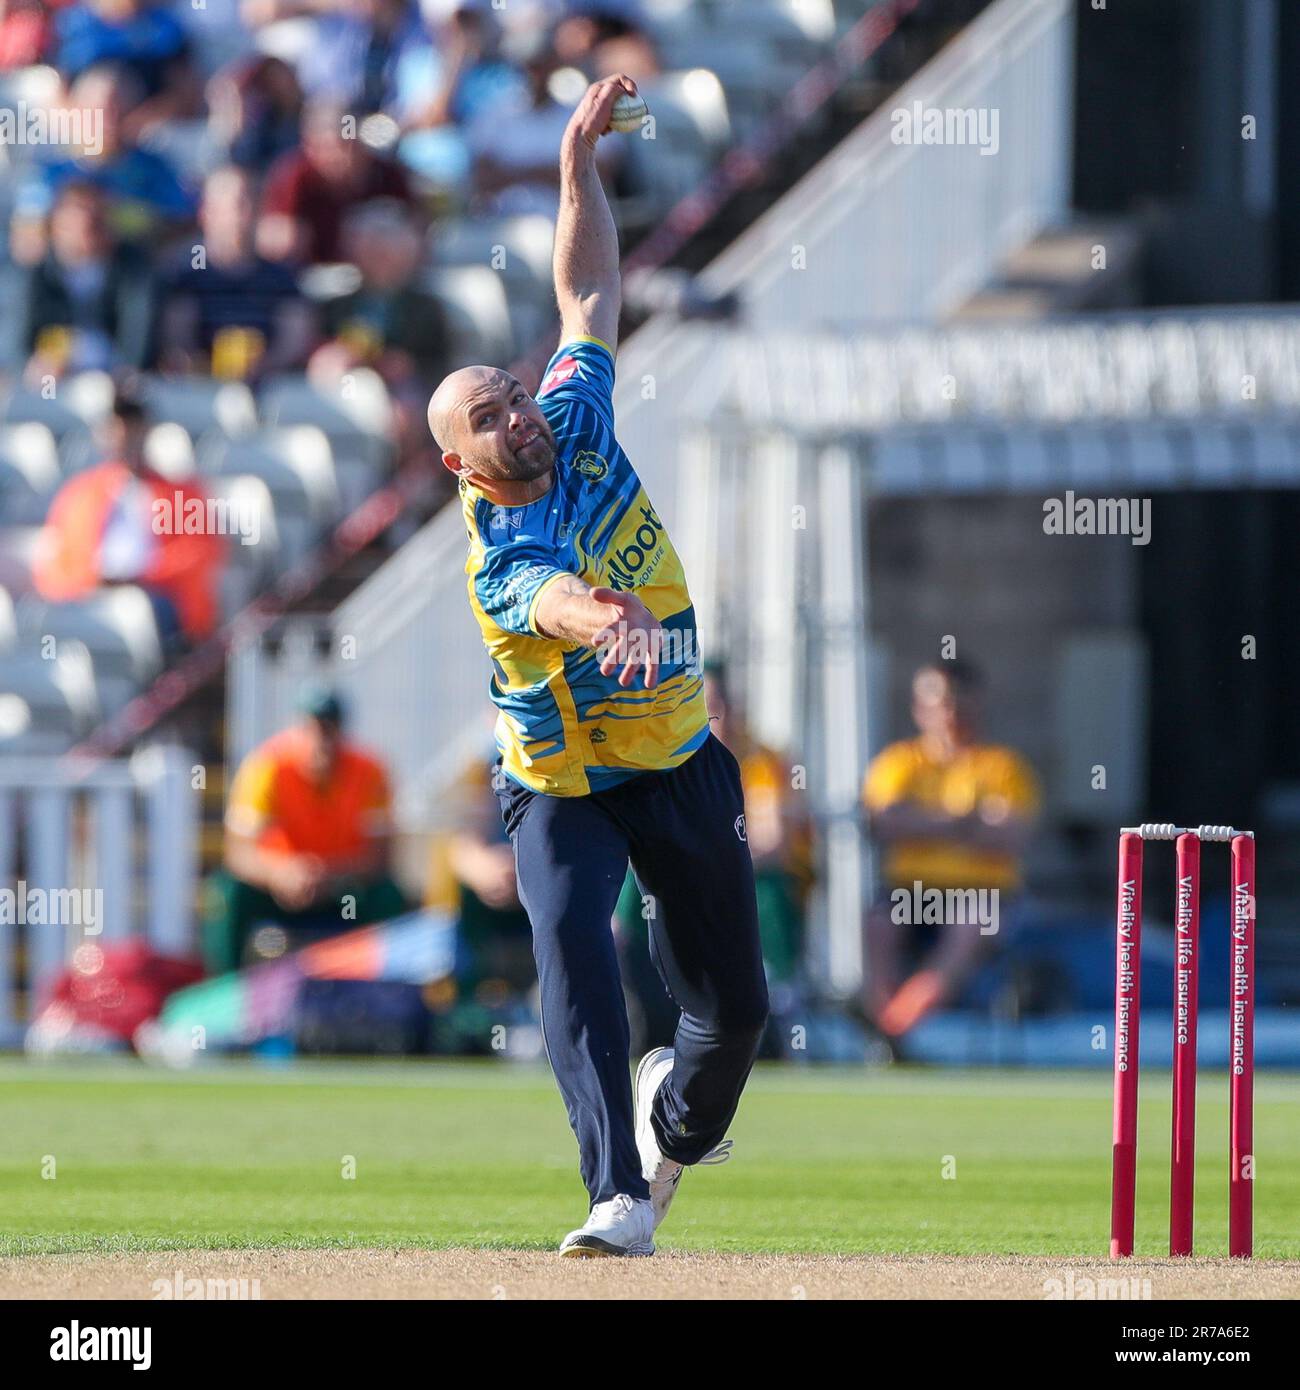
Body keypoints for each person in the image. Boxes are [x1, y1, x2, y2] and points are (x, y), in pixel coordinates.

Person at [426, 74, 768, 1258]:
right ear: (463, 466)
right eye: (489, 415)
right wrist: (601, 617)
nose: (517, 411)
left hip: (676, 755)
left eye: (510, 393)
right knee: (574, 954)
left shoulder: (574, 420)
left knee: (735, 1016)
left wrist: (576, 165)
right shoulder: (498, 552)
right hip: (564, 782)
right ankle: (615, 1194)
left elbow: (587, 295)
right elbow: (551, 598)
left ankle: (670, 1133)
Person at [861, 660, 1040, 1042]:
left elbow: (1011, 835)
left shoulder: (1002, 767)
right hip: (909, 892)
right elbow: (886, 823)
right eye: (939, 702)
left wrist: (925, 825)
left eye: (957, 702)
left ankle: (891, 1027)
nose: (949, 713)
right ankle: (886, 1019)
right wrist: (968, 821)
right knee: (879, 923)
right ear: (918, 708)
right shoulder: (899, 763)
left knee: (971, 925)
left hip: (983, 894)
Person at [204, 688, 408, 974]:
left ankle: (384, 991)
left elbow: (380, 857)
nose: (320, 741)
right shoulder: (267, 767)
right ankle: (227, 990)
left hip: (340, 889)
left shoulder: (368, 770)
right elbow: (239, 853)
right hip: (278, 890)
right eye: (311, 729)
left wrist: (325, 875)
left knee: (387, 896)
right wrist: (280, 874)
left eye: (328, 729)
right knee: (229, 893)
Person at [32, 385, 225, 645]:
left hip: (155, 599)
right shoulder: (80, 494)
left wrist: (143, 573)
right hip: (90, 596)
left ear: (146, 431)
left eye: (133, 426)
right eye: (117, 426)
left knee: (136, 614)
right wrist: (92, 579)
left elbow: (201, 552)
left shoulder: (182, 494)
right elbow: (56, 561)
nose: (125, 435)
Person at [159, 166, 316, 381]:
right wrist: (200, 366)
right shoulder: (185, 272)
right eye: (237, 203)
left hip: (267, 387)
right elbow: (177, 339)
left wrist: (265, 366)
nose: (246, 213)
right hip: (198, 385)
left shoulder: (280, 276)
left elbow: (294, 338)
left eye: (253, 201)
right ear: (206, 212)